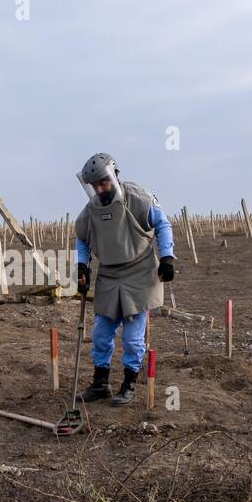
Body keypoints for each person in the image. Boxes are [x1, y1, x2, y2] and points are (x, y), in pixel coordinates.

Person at [73, 153, 174, 406]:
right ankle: (100, 383)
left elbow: (162, 224)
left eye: (103, 183)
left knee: (132, 337)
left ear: (114, 177)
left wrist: (167, 257)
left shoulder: (138, 198)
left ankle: (128, 384)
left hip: (139, 272)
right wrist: (82, 266)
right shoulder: (91, 210)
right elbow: (82, 238)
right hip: (108, 274)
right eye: (94, 185)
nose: (99, 189)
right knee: (100, 334)